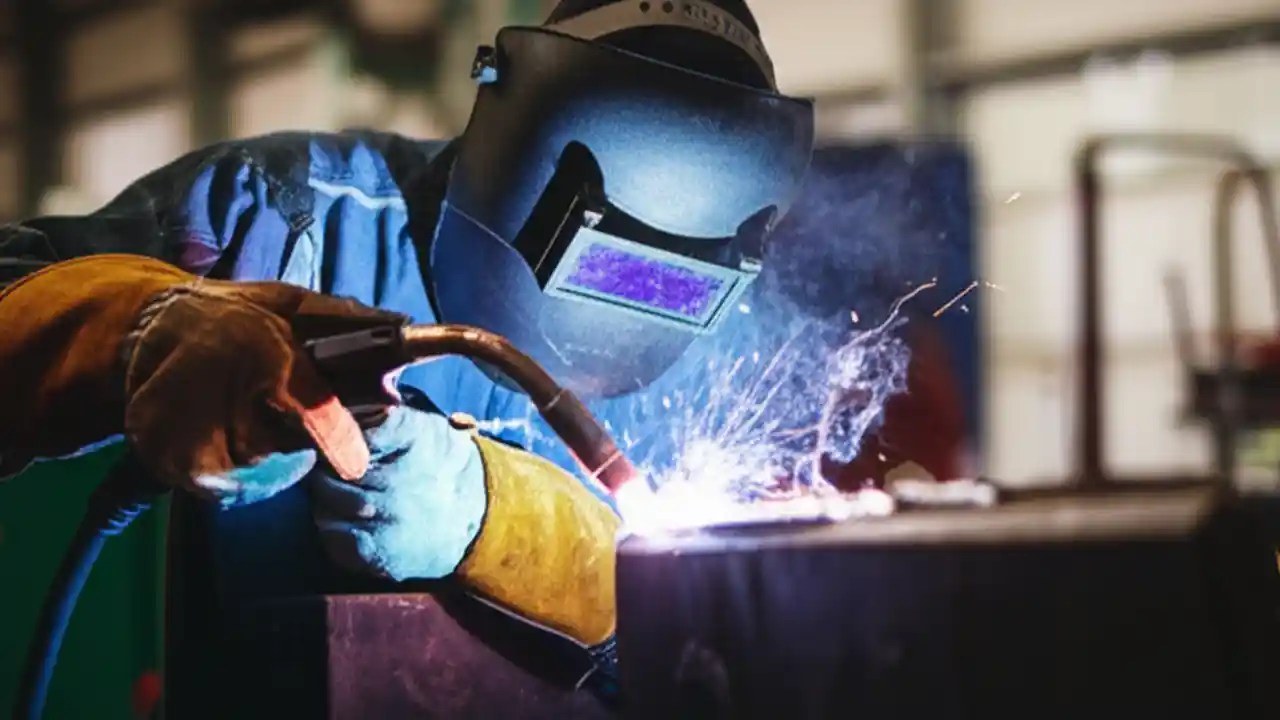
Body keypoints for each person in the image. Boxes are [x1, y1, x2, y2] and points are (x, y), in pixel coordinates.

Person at [0, 0, 814, 709]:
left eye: (670, 281)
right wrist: (145, 327)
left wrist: (496, 519)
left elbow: (729, 648)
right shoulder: (290, 222)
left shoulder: (723, 356)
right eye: (608, 259)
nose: (632, 298)